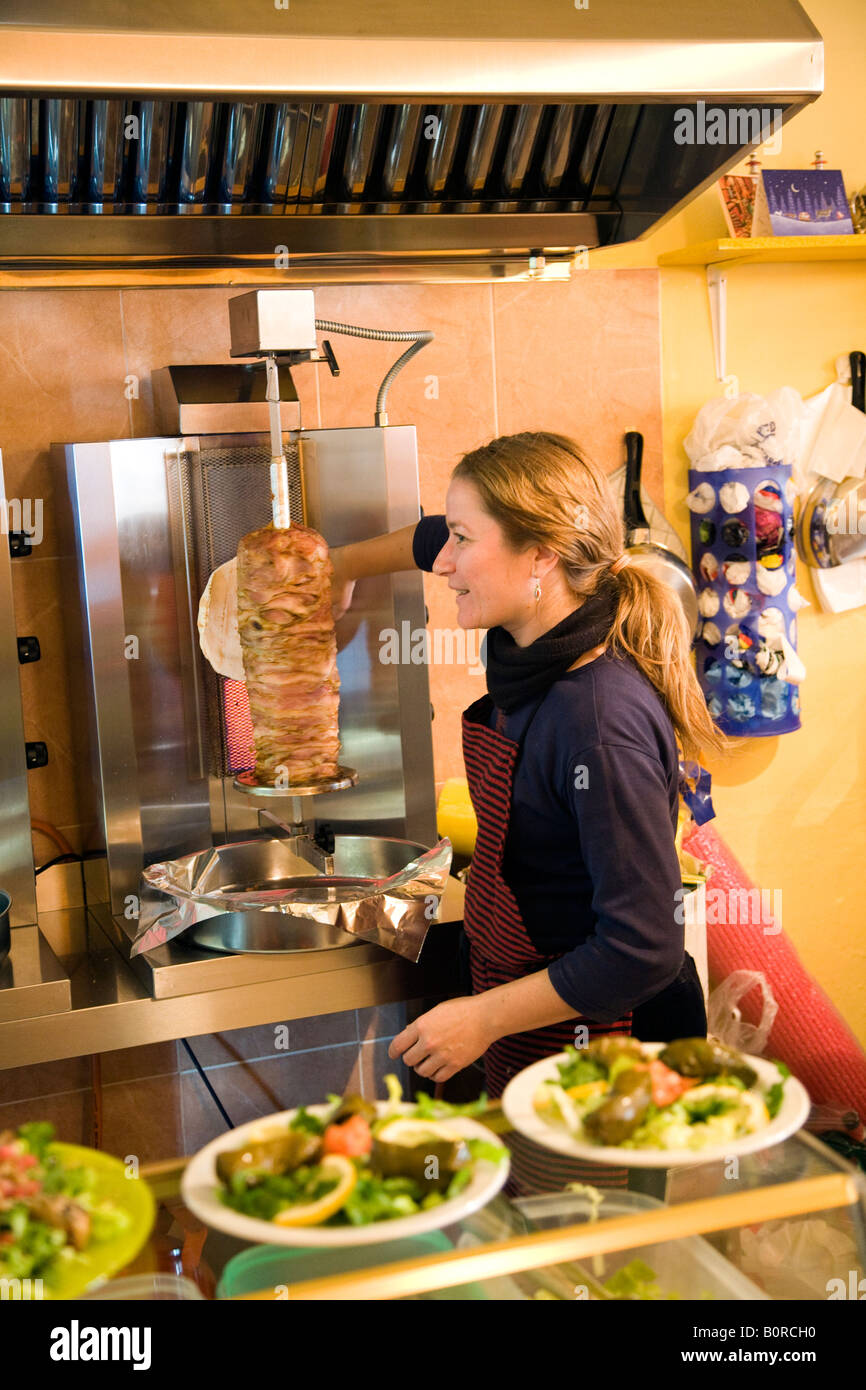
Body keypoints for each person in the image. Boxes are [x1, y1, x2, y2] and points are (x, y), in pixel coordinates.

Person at [328, 431, 724, 1192]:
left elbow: (642, 947)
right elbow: (424, 537)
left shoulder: (596, 719)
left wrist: (482, 1018)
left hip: (610, 1049)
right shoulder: (532, 640)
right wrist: (341, 566)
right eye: (448, 535)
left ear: (541, 555)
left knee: (587, 1265)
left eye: (464, 540)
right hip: (536, 1024)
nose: (442, 561)